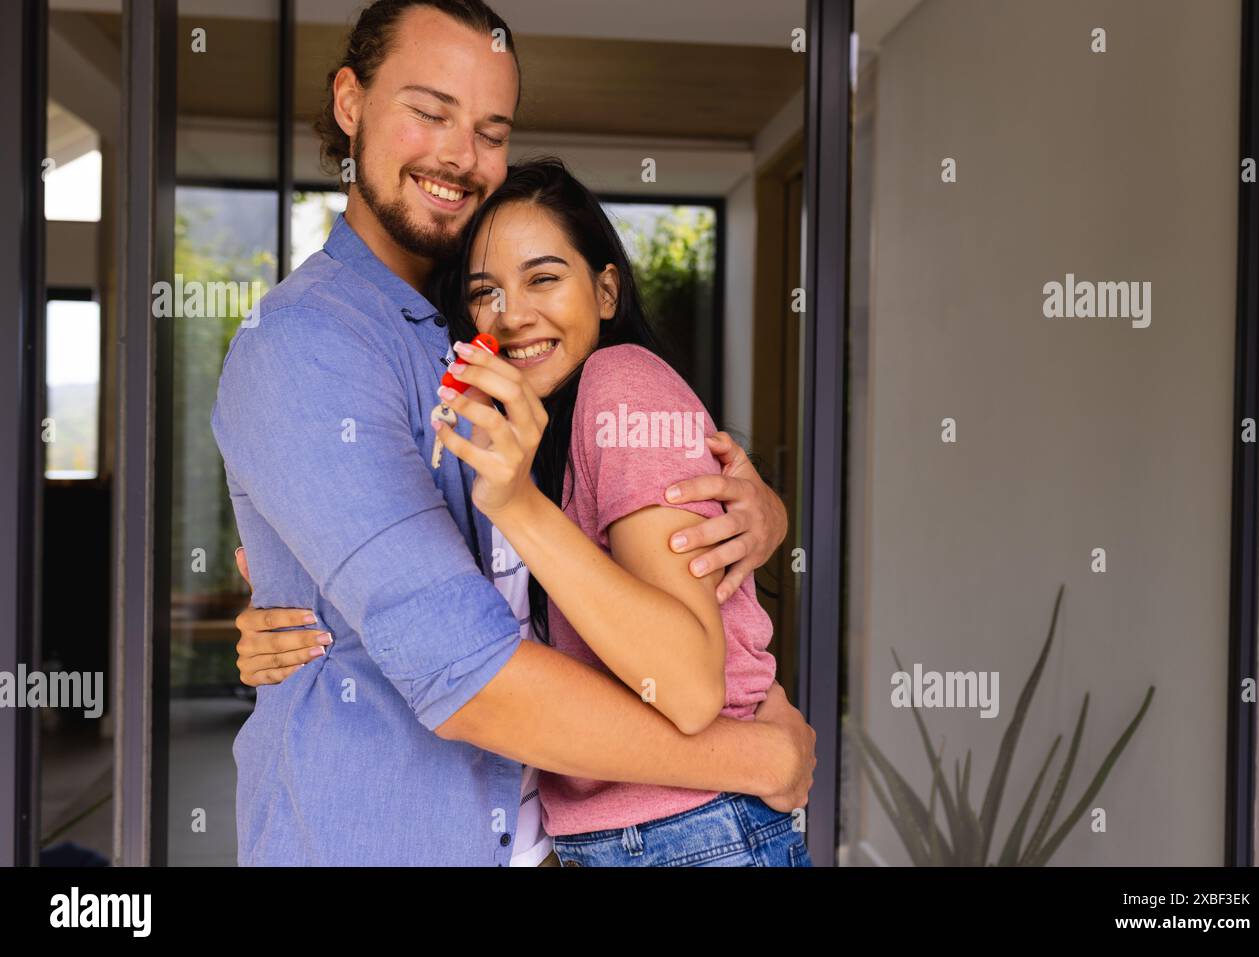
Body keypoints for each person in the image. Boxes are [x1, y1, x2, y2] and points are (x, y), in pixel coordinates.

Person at [212, 0, 814, 866]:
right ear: (351, 104)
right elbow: (470, 680)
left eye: (491, 130)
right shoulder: (311, 347)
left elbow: (575, 537)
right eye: (429, 111)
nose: (461, 155)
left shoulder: (494, 345)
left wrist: (759, 517)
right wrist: (748, 753)